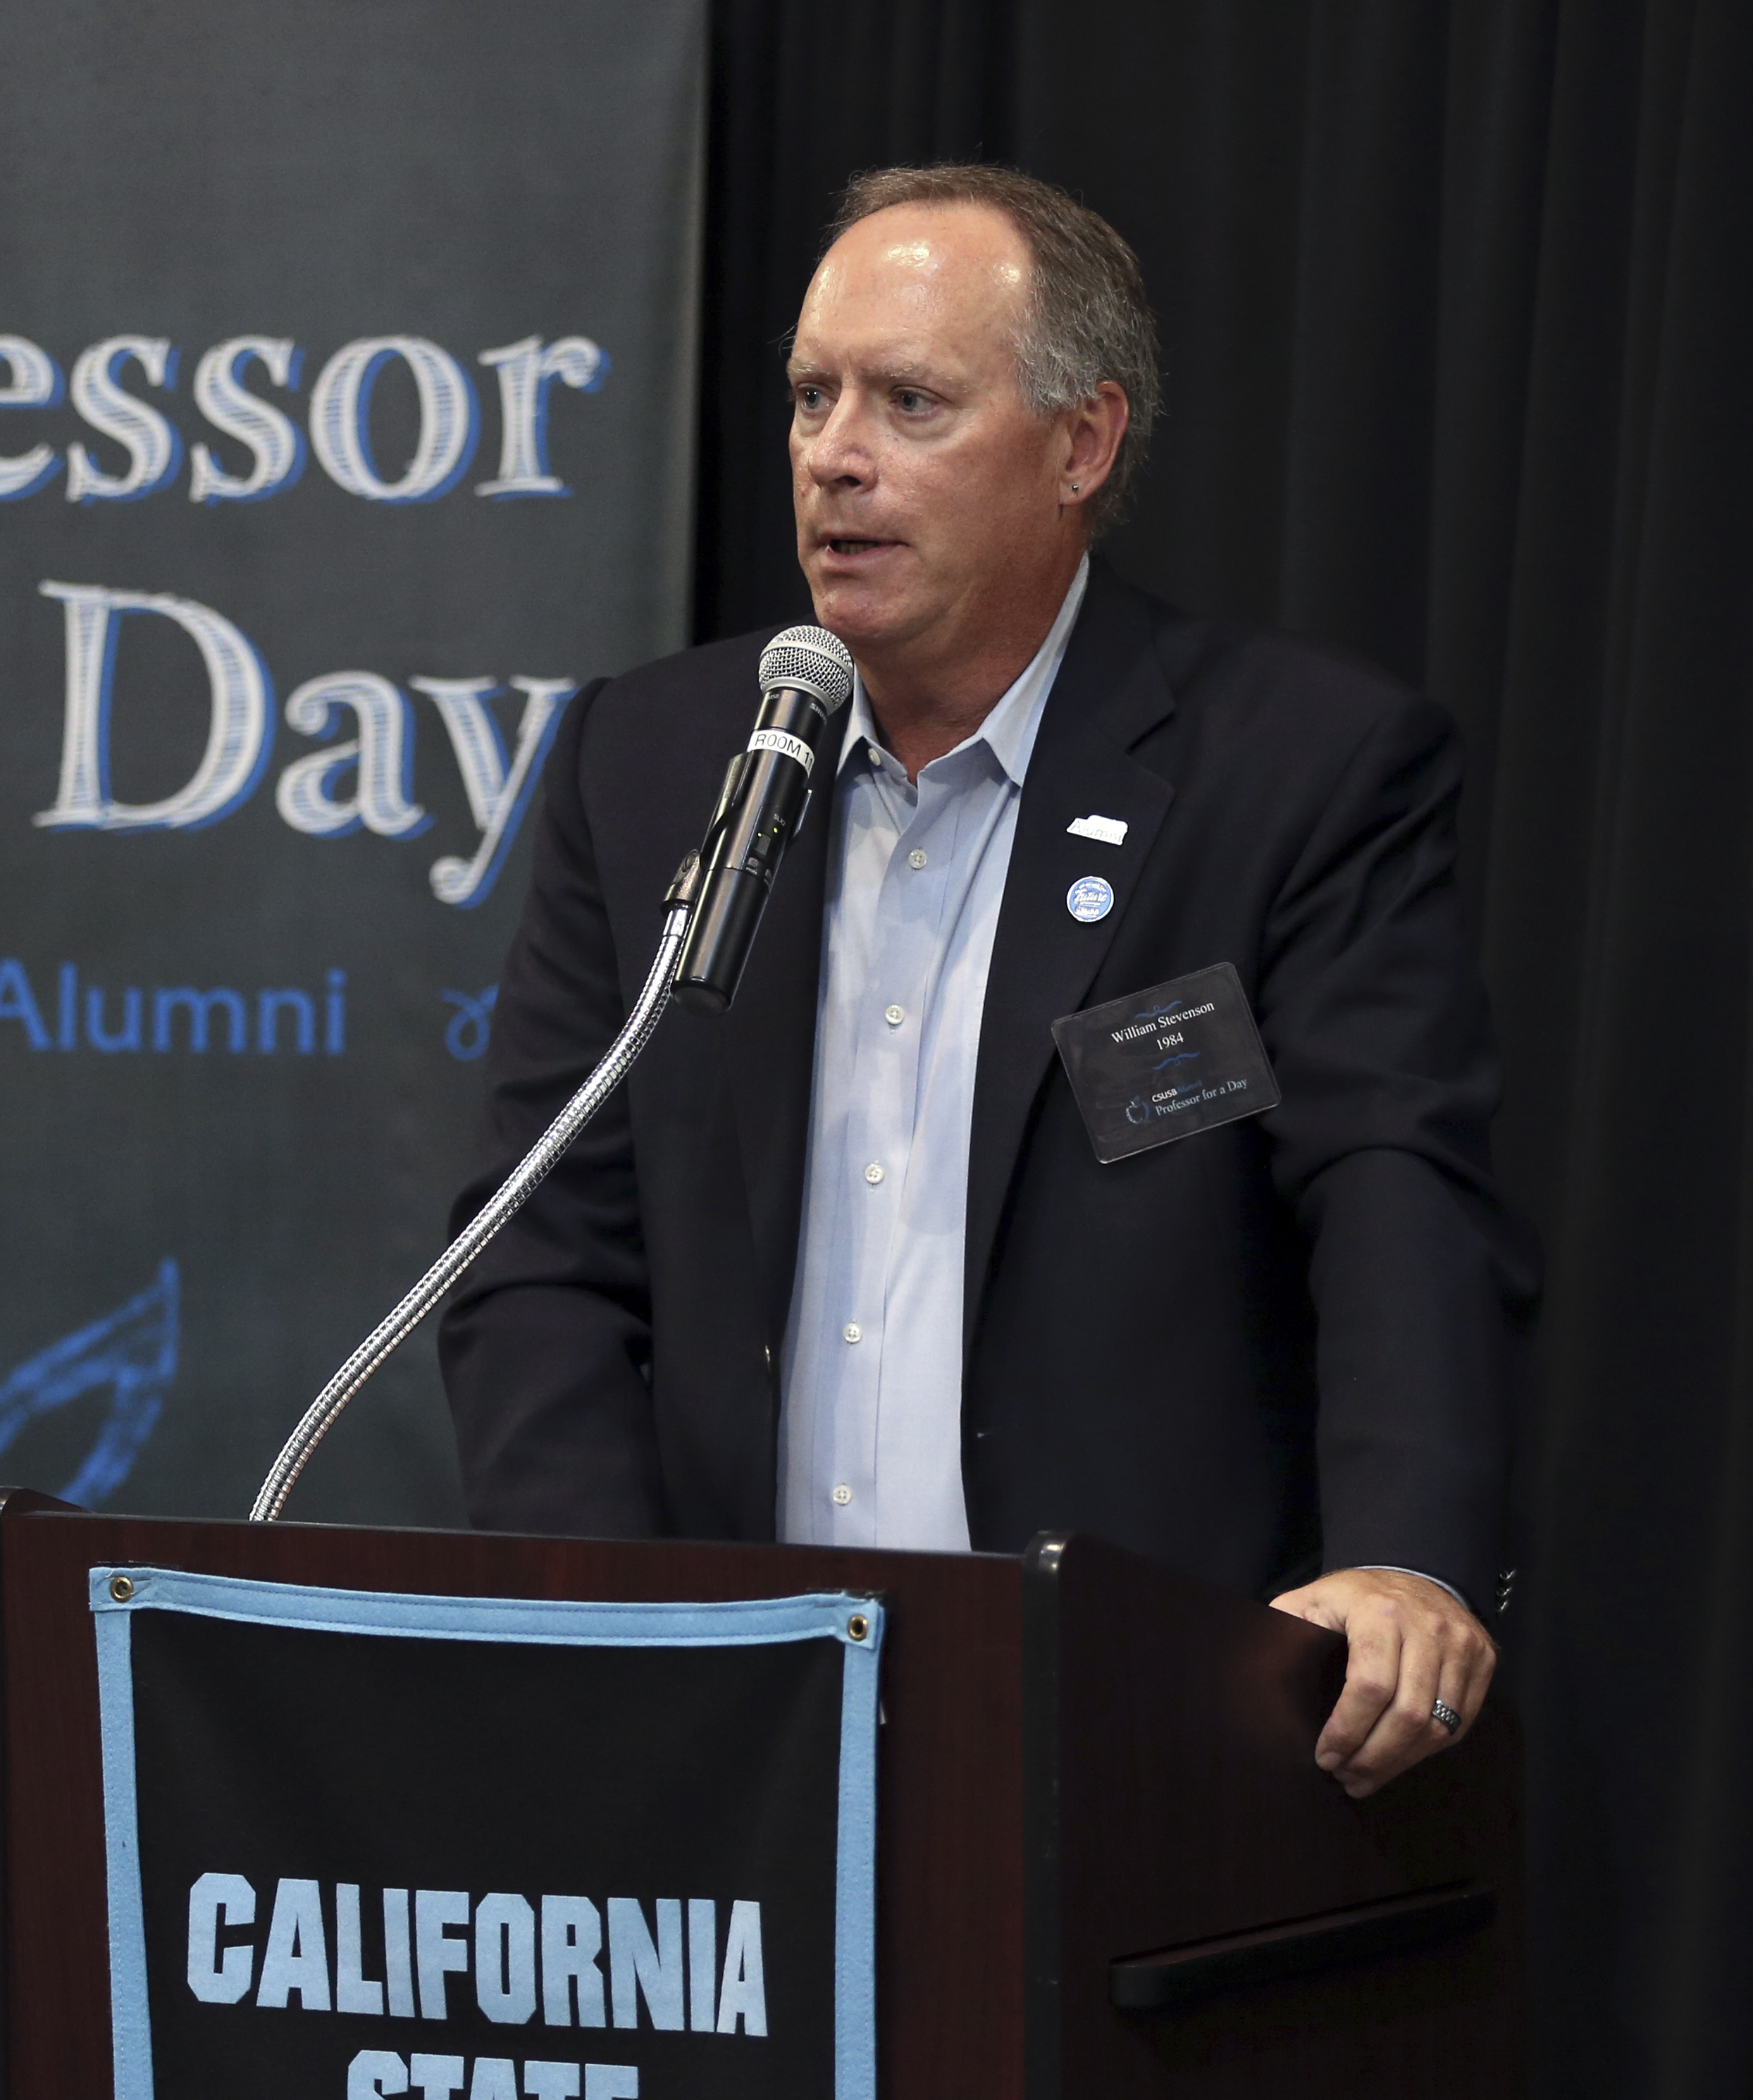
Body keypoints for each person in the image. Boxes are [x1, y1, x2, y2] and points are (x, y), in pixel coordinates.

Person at [440, 163, 1525, 1796]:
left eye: (910, 401)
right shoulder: (658, 762)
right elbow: (541, 1246)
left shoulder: (1294, 771)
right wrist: (609, 1624)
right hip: (734, 1735)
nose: (833, 454)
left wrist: (1405, 1557)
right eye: (812, 396)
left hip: (1139, 1727)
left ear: (1078, 444)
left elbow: (1391, 1191)